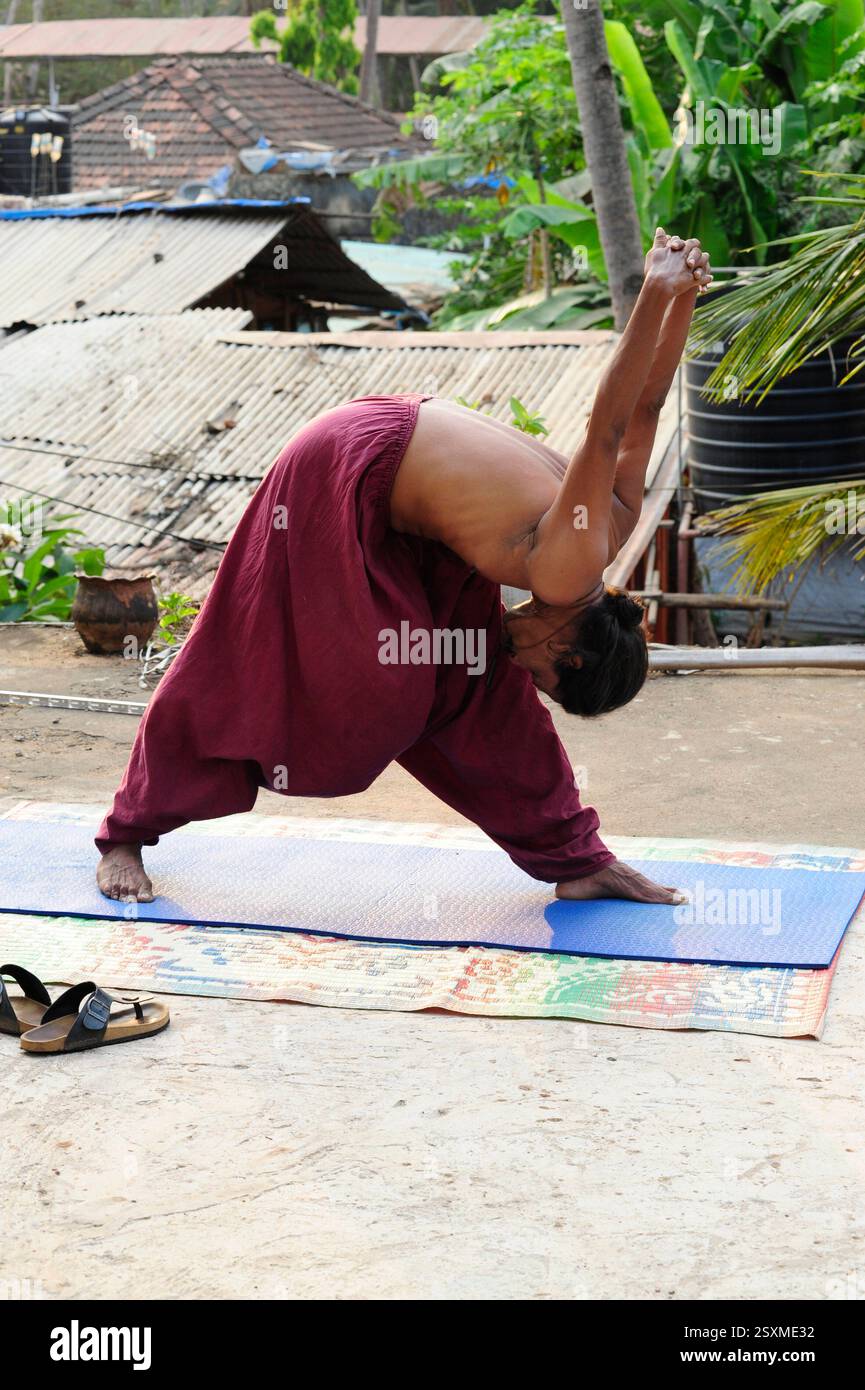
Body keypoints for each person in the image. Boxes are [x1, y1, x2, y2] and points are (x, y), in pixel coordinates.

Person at [96, 230, 712, 907]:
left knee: (477, 682)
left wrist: (680, 298)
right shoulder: (567, 571)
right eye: (539, 676)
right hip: (342, 469)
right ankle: (128, 831)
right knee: (288, 663)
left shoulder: (610, 524)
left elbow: (648, 406)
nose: (525, 669)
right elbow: (605, 426)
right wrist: (654, 292)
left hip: (411, 511)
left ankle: (576, 857)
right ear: (568, 653)